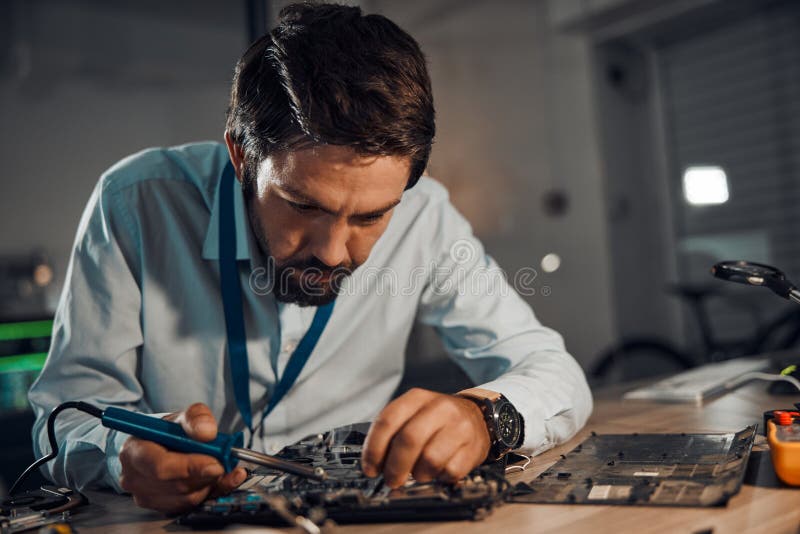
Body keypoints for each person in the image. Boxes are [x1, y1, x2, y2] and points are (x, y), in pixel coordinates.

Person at [28, 2, 592, 513]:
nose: (332, 251)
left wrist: (484, 417)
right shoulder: (135, 202)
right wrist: (121, 455)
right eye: (303, 206)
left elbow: (554, 371)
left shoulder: (426, 216)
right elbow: (66, 415)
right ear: (241, 154)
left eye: (371, 217)